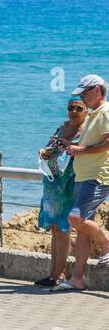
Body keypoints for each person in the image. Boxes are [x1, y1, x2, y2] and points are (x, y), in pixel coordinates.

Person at [58, 74, 109, 291]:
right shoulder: (92, 114)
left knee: (75, 217)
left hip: (97, 176)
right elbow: (91, 142)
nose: (82, 97)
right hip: (83, 175)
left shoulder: (105, 112)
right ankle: (77, 279)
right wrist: (70, 146)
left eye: (85, 93)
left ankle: (106, 243)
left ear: (98, 90)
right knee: (83, 230)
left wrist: (82, 150)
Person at [35, 97, 86, 288]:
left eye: (78, 108)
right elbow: (51, 147)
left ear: (86, 111)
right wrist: (44, 152)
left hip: (69, 186)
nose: (73, 111)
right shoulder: (62, 127)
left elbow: (82, 152)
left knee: (64, 229)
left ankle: (57, 275)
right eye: (70, 108)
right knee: (55, 230)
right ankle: (53, 274)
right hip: (52, 184)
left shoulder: (86, 131)